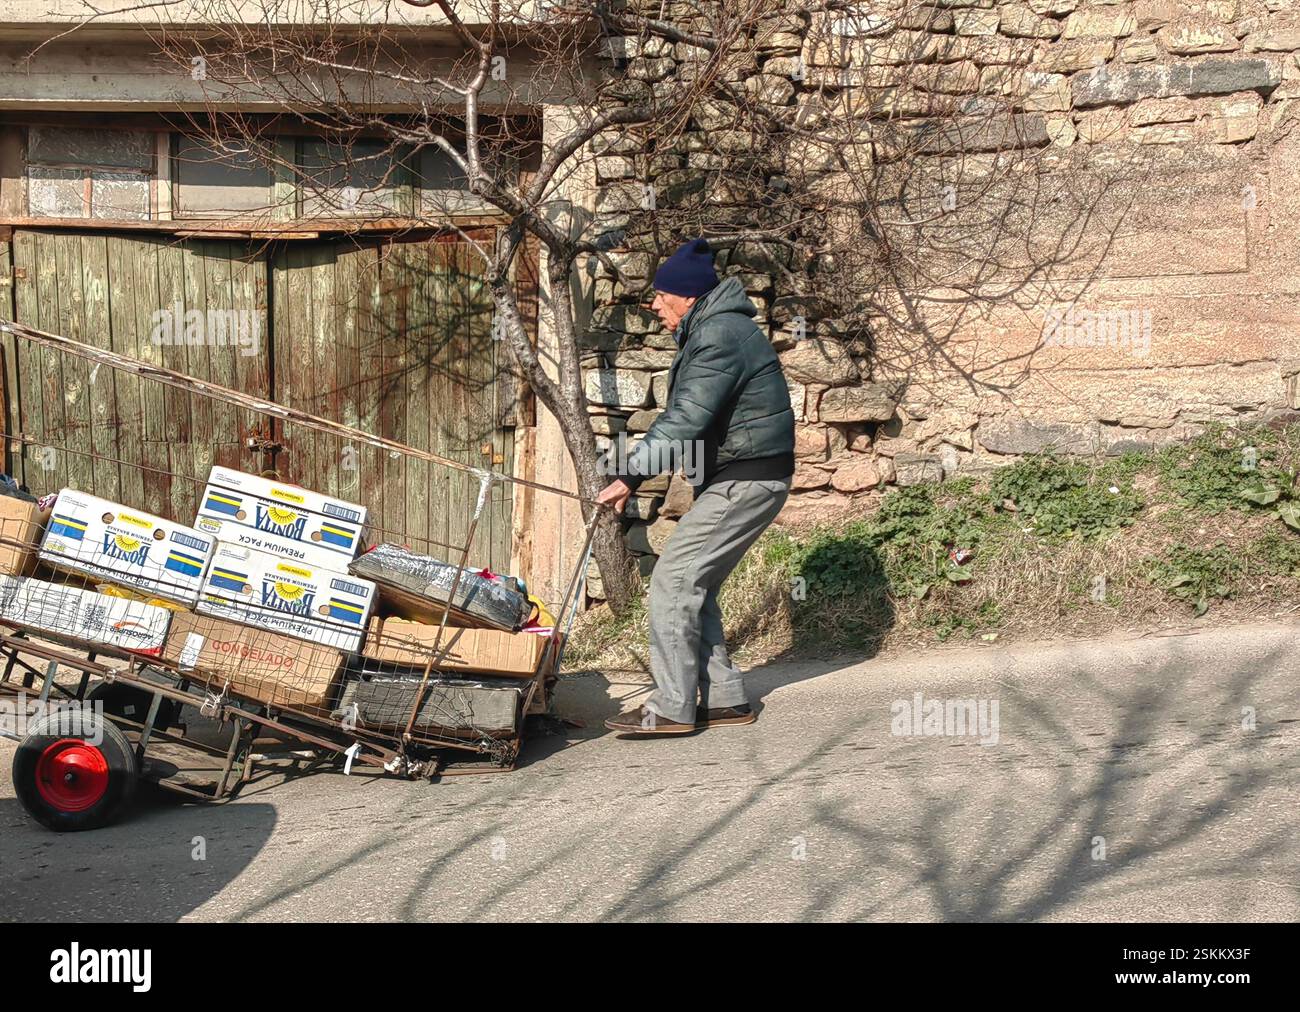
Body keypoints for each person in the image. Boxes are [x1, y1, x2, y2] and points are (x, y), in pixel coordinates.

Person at [596, 238, 795, 736]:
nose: (656, 306)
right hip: (748, 475)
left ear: (687, 296)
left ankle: (671, 706)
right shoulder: (717, 329)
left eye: (662, 297)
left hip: (748, 477)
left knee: (673, 580)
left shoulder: (718, 336)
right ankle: (724, 698)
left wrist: (630, 475)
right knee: (694, 583)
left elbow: (684, 420)